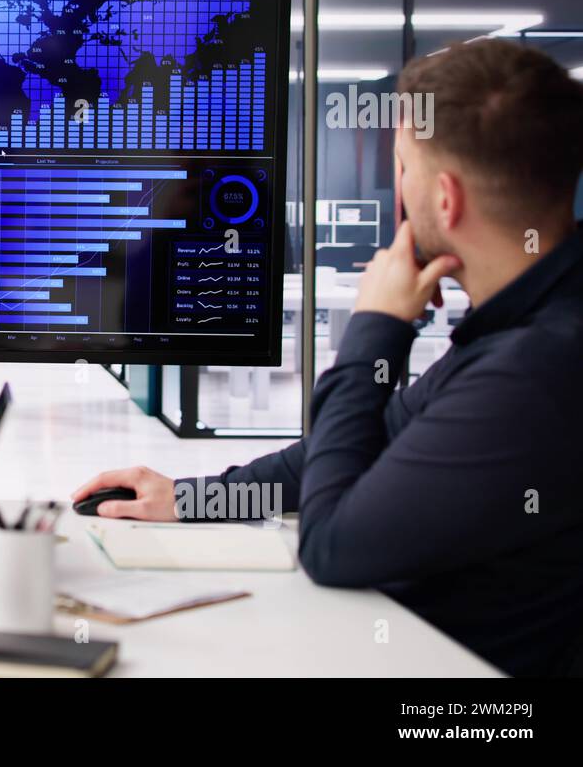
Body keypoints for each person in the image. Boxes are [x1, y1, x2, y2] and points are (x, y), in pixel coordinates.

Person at [73, 39, 583, 677]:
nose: (400, 186)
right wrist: (193, 499)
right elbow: (362, 443)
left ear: (445, 199)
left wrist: (375, 329)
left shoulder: (537, 369)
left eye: (405, 166)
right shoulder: (527, 319)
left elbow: (333, 544)